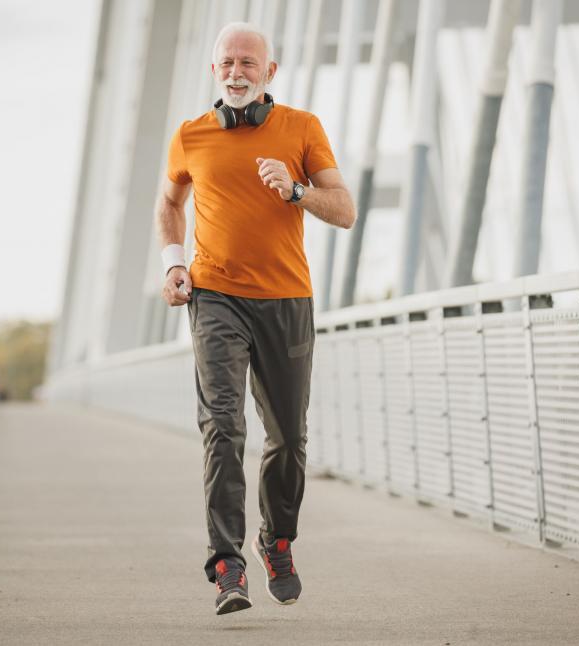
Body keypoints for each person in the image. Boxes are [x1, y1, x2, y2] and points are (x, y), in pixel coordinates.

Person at [154, 22, 355, 615]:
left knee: (288, 438)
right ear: (213, 70)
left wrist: (294, 190)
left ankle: (277, 541)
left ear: (269, 72)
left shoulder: (302, 128)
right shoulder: (191, 135)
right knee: (223, 426)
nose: (236, 72)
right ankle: (227, 565)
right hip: (215, 298)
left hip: (287, 300)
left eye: (248, 63)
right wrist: (173, 265)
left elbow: (344, 210)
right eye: (226, 63)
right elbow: (169, 202)